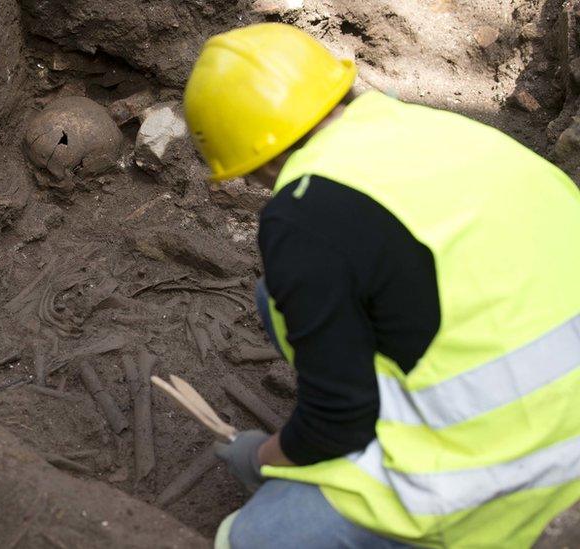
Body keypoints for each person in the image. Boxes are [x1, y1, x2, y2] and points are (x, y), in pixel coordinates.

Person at [182, 23, 580, 548]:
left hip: (522, 474)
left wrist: (260, 457)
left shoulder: (303, 215)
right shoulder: (439, 128)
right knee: (274, 297)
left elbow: (337, 425)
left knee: (251, 539)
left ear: (250, 160)